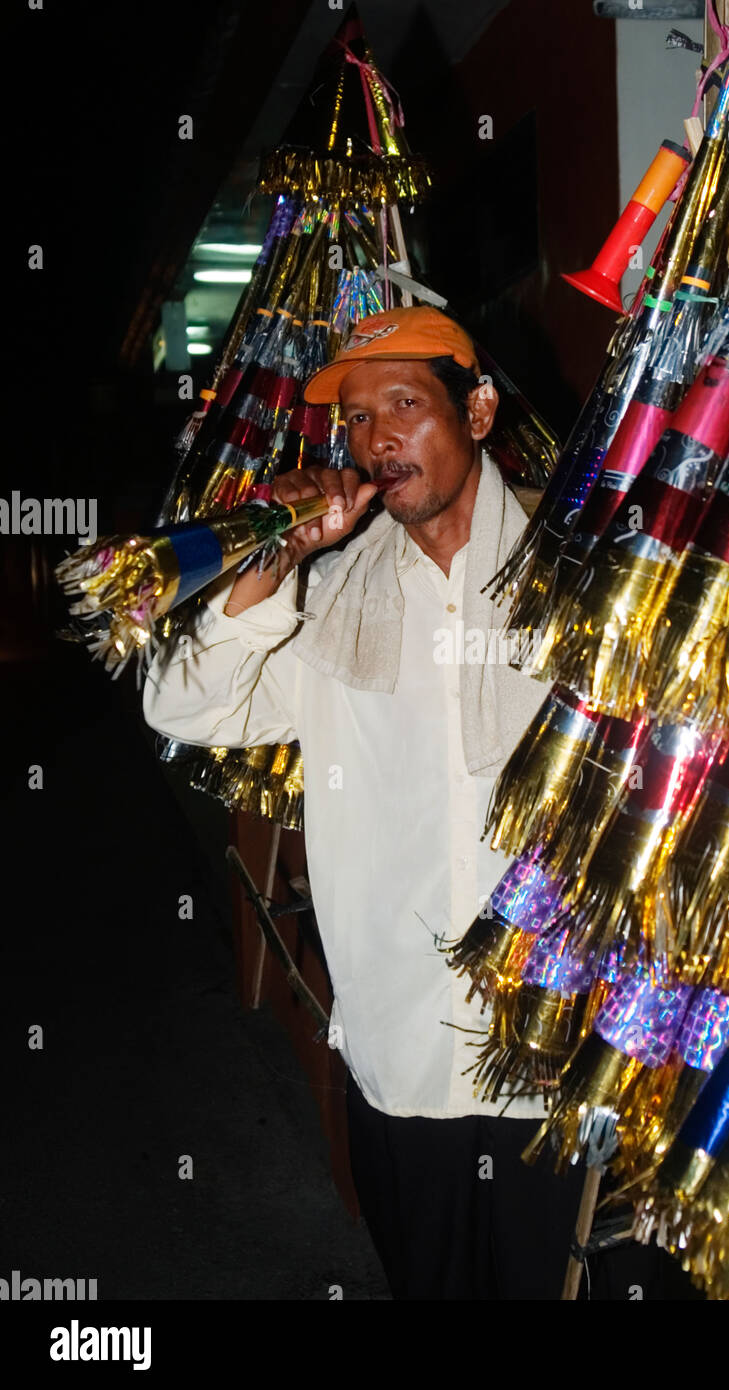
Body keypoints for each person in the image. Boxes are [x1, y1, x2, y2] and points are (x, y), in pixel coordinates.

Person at [143, 305, 591, 1299]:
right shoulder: (332, 595)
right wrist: (273, 561)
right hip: (401, 1059)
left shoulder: (577, 578)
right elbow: (181, 705)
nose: (377, 438)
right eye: (355, 418)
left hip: (556, 1063)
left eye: (404, 403)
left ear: (476, 410)